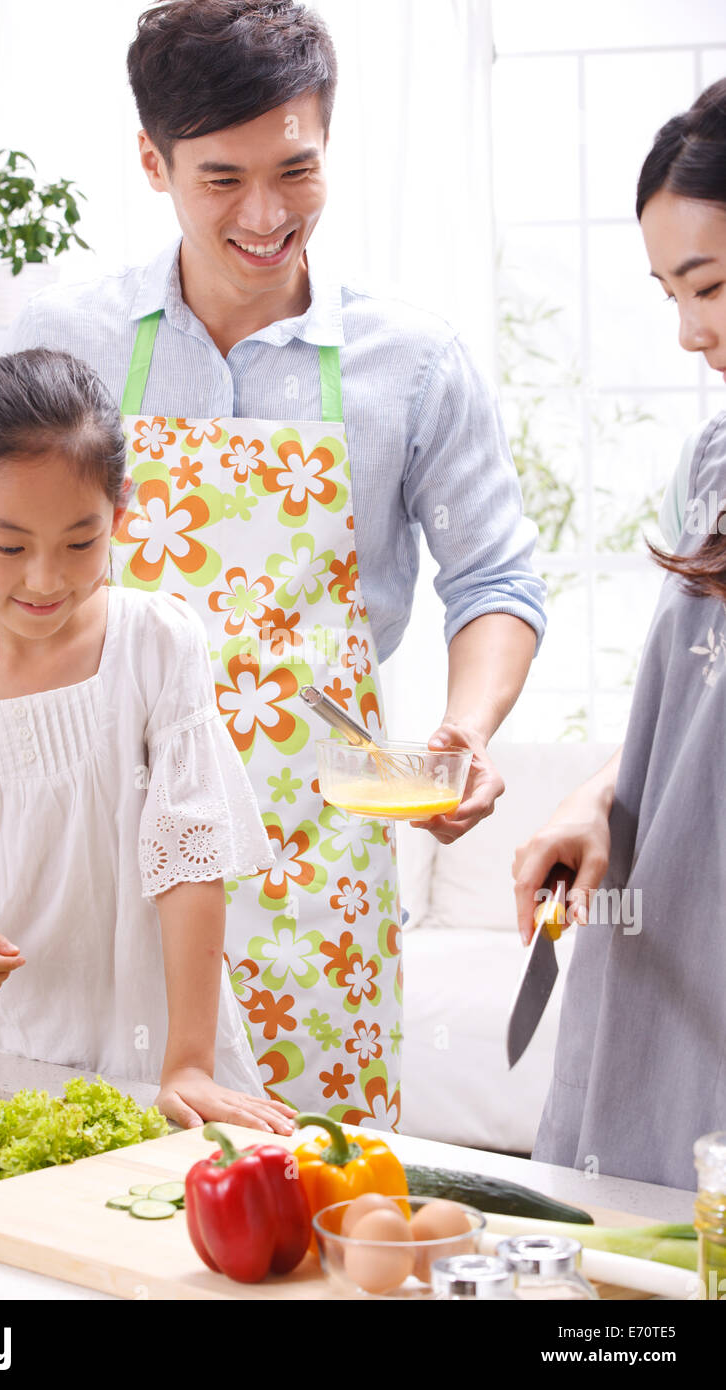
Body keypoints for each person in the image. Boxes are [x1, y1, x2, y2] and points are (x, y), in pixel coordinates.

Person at [0, 0, 548, 1128]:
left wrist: (464, 730)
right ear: (150, 161)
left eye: (294, 170)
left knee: (321, 1194)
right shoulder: (70, 340)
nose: (265, 216)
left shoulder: (408, 362)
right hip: (102, 855)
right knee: (88, 1186)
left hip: (313, 856)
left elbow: (495, 581)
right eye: (220, 179)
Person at [0, 349, 296, 1135]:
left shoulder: (156, 642)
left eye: (80, 541)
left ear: (121, 515)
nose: (46, 579)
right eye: (10, 546)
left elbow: (191, 863)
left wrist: (189, 1059)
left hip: (158, 1054)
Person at [513, 77, 726, 1190]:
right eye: (668, 294)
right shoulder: (711, 460)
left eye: (711, 286)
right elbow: (687, 700)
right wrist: (597, 794)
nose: (690, 333)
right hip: (652, 942)